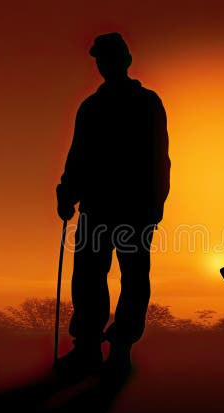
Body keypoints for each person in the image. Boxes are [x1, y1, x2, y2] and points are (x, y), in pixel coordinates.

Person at [55, 33, 170, 376]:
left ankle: (119, 350)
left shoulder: (146, 103)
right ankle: (89, 348)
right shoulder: (92, 106)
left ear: (124, 60)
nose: (104, 64)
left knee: (132, 279)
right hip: (98, 207)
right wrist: (67, 192)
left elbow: (158, 158)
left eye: (109, 57)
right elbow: (78, 156)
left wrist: (155, 203)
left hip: (133, 207)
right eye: (100, 58)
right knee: (90, 277)